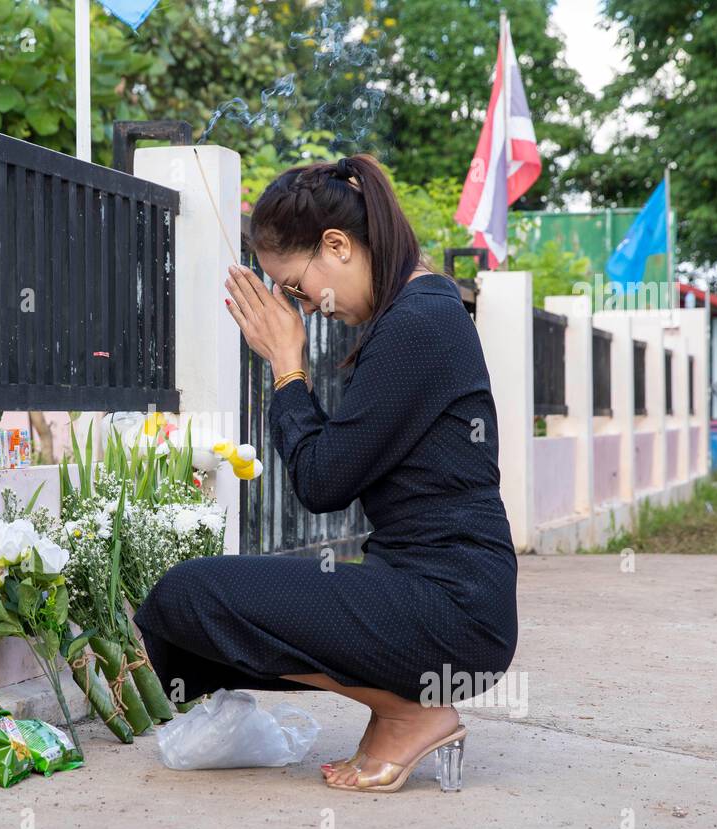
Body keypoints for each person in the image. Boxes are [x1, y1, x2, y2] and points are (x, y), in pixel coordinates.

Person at [132, 154, 517, 794]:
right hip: (433, 595)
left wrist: (288, 367)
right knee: (183, 628)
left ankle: (409, 710)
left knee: (187, 596)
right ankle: (398, 704)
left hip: (454, 609)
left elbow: (321, 482)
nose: (301, 307)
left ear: (336, 245)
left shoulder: (419, 324)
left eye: (294, 286)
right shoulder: (418, 314)